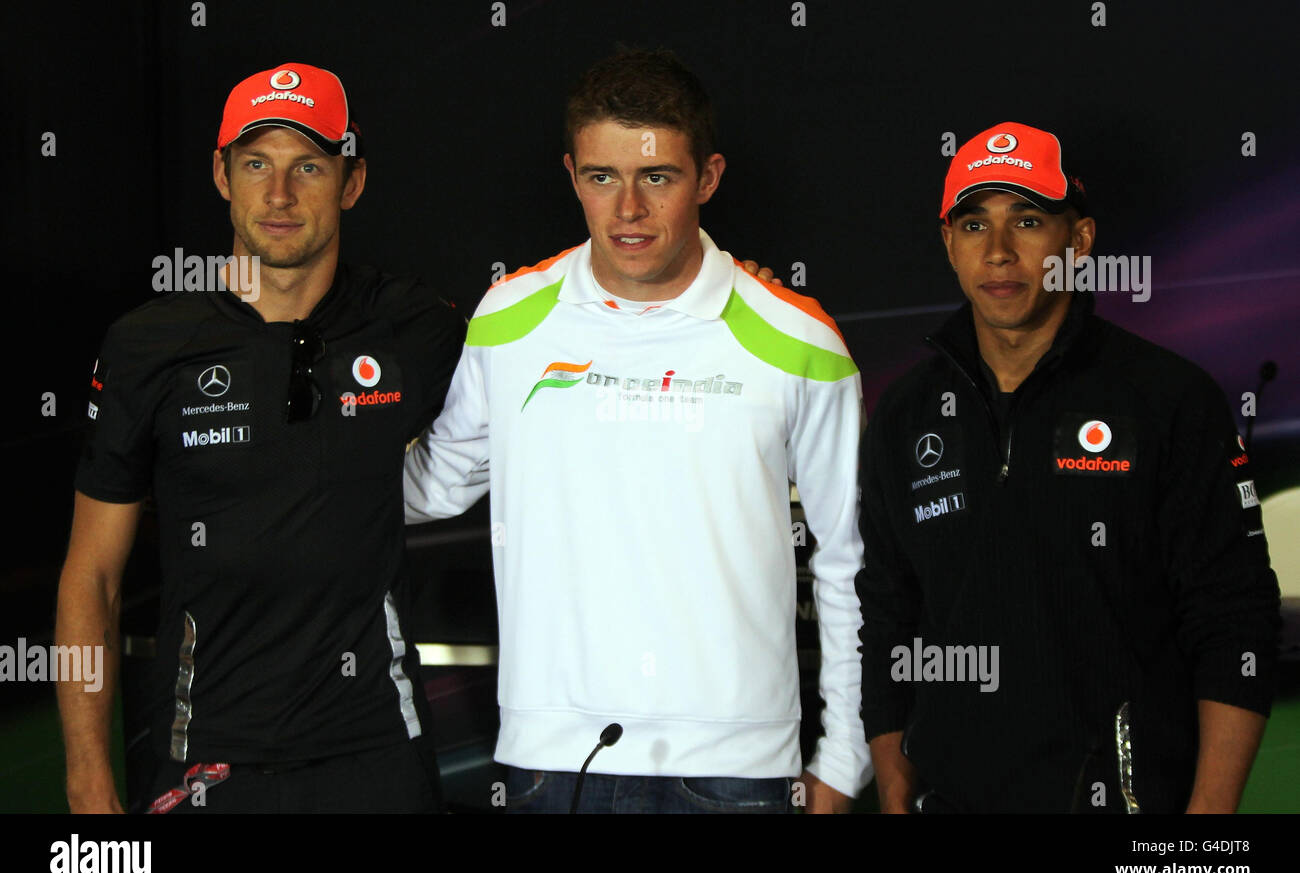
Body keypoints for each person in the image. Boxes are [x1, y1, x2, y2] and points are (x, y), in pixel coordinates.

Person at [403, 48, 871, 813]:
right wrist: (288, 467)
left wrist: (843, 760)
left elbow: (852, 560)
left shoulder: (799, 338)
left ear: (709, 178)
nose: (627, 210)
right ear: (572, 175)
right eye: (601, 177)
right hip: (552, 759)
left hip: (742, 766)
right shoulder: (510, 317)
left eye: (657, 177)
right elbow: (438, 481)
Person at [56, 63, 465, 813]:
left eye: (308, 165)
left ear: (353, 181)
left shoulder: (419, 329)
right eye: (256, 165)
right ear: (221, 174)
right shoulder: (147, 347)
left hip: (377, 751)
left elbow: (563, 325)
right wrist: (86, 779)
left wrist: (737, 278)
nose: (279, 196)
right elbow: (93, 577)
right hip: (207, 755)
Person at [857, 122, 1282, 814]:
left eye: (1026, 220)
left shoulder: (1169, 399)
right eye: (973, 225)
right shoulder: (904, 415)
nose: (998, 252)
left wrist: (1206, 824)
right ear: (949, 245)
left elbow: (1236, 618)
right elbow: (887, 613)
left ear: (1078, 241)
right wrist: (897, 788)